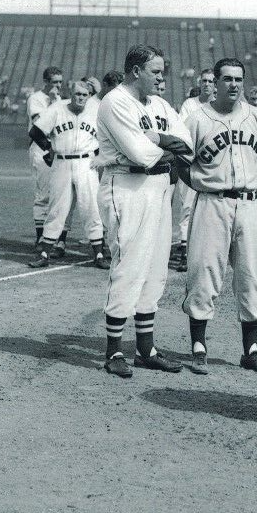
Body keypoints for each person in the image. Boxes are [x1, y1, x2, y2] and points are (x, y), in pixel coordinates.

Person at [95, 44, 192, 378]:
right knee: (130, 265)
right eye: (156, 71)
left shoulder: (160, 103)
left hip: (159, 188)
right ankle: (114, 351)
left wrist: (159, 138)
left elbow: (188, 144)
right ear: (136, 71)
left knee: (155, 268)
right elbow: (140, 154)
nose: (161, 77)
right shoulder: (115, 101)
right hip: (126, 187)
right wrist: (168, 146)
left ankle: (146, 348)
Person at [178, 58, 257, 375]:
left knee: (251, 272)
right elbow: (180, 162)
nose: (233, 85)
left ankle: (251, 349)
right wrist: (201, 182)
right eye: (227, 79)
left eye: (239, 79)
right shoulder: (196, 119)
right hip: (212, 202)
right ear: (215, 82)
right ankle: (198, 346)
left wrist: (248, 177)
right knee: (204, 270)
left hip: (250, 205)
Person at [27, 80, 106, 269]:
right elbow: (35, 131)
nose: (80, 98)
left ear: (89, 96)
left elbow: (108, 136)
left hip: (86, 163)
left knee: (92, 207)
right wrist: (47, 149)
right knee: (57, 207)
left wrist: (101, 156)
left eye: (84, 95)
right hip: (61, 162)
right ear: (71, 94)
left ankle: (99, 254)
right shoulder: (57, 109)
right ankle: (45, 253)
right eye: (77, 94)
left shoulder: (96, 109)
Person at [172, 69, 217, 272]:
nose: (207, 84)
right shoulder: (190, 104)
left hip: (211, 162)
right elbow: (182, 132)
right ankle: (184, 253)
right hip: (190, 160)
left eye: (210, 81)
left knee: (212, 208)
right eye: (204, 80)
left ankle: (206, 253)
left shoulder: (218, 105)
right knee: (187, 207)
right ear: (199, 82)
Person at [26, 66, 64, 248]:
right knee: (43, 193)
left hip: (57, 147)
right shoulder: (36, 98)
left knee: (59, 192)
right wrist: (56, 102)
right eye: (55, 82)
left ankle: (56, 237)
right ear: (46, 82)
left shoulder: (60, 100)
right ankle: (40, 237)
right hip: (41, 147)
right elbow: (40, 124)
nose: (58, 85)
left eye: (60, 82)